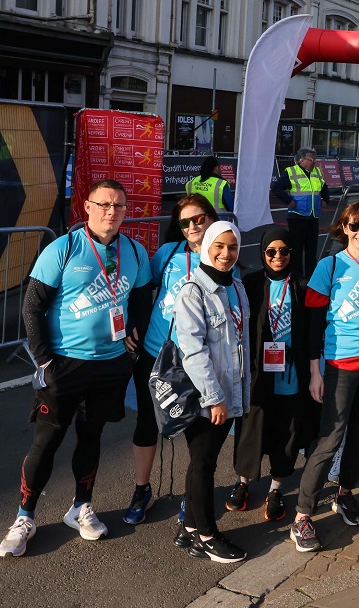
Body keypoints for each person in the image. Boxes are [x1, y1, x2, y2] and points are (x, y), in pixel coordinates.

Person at [0, 180, 152, 558]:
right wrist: (45, 360)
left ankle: (80, 507)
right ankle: (25, 517)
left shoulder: (134, 251)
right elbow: (31, 306)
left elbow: (142, 298)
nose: (110, 212)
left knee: (91, 437)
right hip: (64, 364)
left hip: (110, 365)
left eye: (118, 206)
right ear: (87, 206)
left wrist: (135, 331)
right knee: (46, 442)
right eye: (103, 204)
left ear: (126, 211)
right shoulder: (64, 248)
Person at [290, 202, 359, 553]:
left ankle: (344, 495)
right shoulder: (330, 265)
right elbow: (312, 323)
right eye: (355, 226)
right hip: (341, 364)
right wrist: (313, 370)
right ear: (344, 228)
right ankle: (303, 515)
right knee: (330, 438)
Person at [125, 194, 218, 526]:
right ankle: (142, 490)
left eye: (199, 218)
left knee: (195, 430)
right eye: (185, 221)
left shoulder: (222, 253)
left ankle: (190, 494)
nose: (193, 226)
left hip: (199, 359)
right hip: (156, 353)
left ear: (211, 218)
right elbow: (139, 289)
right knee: (147, 424)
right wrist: (128, 324)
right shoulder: (168, 254)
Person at [227, 228, 320, 522]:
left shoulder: (302, 285)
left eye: (284, 251)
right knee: (251, 429)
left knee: (287, 434)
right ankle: (243, 483)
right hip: (257, 374)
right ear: (263, 254)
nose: (278, 257)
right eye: (271, 252)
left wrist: (313, 370)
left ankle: (276, 488)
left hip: (291, 374)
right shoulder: (251, 283)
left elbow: (314, 330)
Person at [175, 221, 251, 563]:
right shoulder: (193, 290)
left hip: (228, 389)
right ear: (206, 246)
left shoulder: (236, 285)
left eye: (232, 247)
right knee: (203, 464)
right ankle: (207, 535)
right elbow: (193, 350)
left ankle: (190, 527)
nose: (225, 254)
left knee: (202, 461)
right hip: (208, 395)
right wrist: (214, 397)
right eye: (218, 246)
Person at [273, 148, 332, 281]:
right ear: (302, 160)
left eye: (315, 160)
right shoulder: (291, 172)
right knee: (297, 249)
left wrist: (326, 200)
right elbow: (276, 188)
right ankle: (297, 277)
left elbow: (324, 187)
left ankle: (311, 277)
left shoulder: (317, 172)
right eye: (311, 159)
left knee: (311, 250)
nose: (314, 162)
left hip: (313, 216)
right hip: (297, 216)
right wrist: (289, 201)